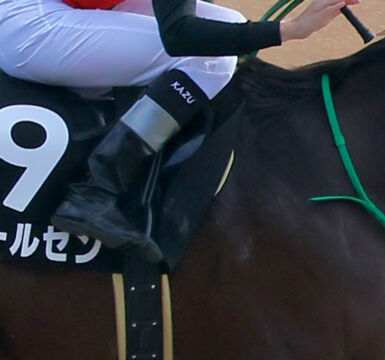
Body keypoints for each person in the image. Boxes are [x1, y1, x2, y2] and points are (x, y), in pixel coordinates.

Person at [0, 0, 356, 261]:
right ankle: (96, 190)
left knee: (228, 24)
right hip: (27, 23)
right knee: (210, 57)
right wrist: (291, 29)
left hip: (72, 8)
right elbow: (180, 35)